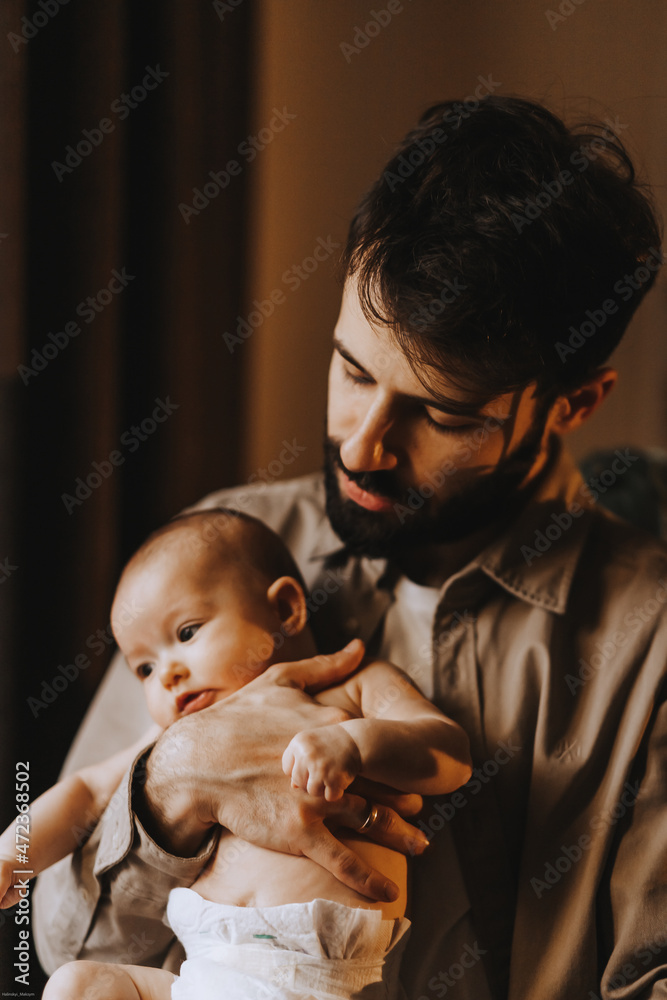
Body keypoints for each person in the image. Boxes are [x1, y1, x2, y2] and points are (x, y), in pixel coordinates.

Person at [34, 96, 667, 1000]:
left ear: (572, 405)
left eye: (442, 415)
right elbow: (52, 944)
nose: (363, 446)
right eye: (352, 370)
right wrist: (173, 786)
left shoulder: (649, 649)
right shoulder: (208, 565)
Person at [4, 509, 471, 999]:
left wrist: (355, 743)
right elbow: (86, 790)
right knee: (76, 984)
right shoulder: (178, 738)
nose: (167, 674)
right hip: (205, 970)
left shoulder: (353, 687)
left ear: (286, 609)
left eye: (187, 633)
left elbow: (450, 752)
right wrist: (13, 854)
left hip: (319, 978)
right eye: (144, 668)